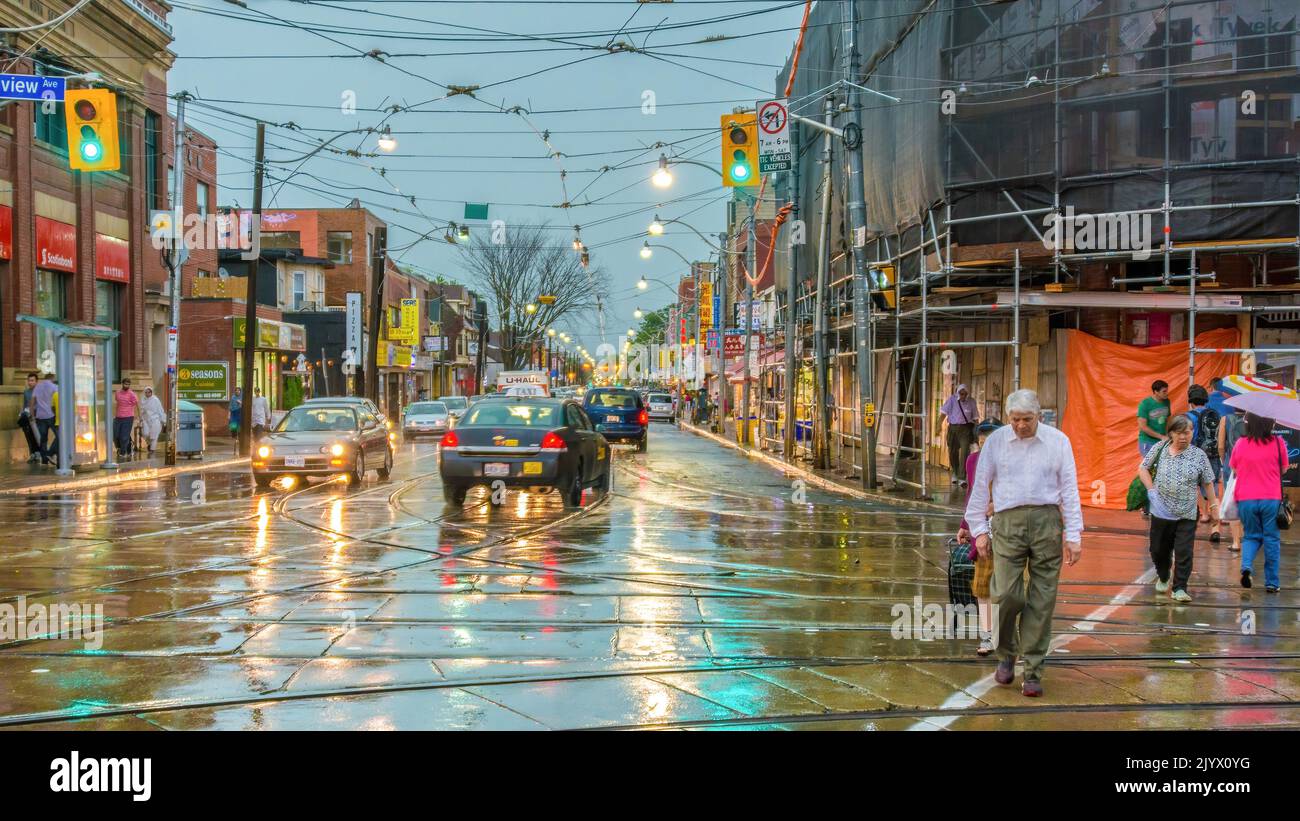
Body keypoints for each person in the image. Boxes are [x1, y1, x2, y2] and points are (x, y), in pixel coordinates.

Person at [965, 389, 1083, 698]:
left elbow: (1070, 489)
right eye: (1015, 419)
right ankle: (1006, 653)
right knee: (1006, 594)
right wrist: (979, 529)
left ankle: (1032, 670)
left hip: (1047, 523)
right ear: (1008, 418)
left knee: (1042, 601)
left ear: (1039, 417)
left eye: (1027, 420)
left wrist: (1073, 535)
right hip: (1007, 524)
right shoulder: (997, 443)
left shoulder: (1058, 442)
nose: (1020, 425)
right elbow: (981, 487)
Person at [1138, 414, 1219, 603]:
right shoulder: (1160, 448)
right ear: (1171, 433)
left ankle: (1180, 588)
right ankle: (1164, 575)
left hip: (1187, 512)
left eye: (1187, 432)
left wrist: (1214, 505)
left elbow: (1208, 482)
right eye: (1179, 432)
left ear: (1192, 433)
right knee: (1158, 549)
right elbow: (1143, 469)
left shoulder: (1198, 455)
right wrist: (1151, 490)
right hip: (1160, 511)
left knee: (1184, 551)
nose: (1183, 437)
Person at [956, 418, 1003, 657]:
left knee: (1008, 589)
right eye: (983, 438)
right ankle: (987, 636)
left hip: (1009, 534)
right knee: (983, 586)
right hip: (982, 533)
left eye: (991, 437)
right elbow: (971, 495)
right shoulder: (973, 460)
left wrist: (999, 504)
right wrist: (965, 525)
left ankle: (1004, 636)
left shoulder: (1012, 461)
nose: (986, 442)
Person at [1230, 412, 1289, 594]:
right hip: (1270, 498)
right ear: (1270, 423)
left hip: (1246, 499)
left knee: (1251, 536)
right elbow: (1284, 469)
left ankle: (1246, 567)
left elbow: (1234, 467)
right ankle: (1271, 582)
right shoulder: (1278, 443)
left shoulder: (1240, 443)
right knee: (1271, 539)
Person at [1185, 384, 1223, 537]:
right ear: (1205, 400)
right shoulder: (1215, 414)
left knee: (1195, 485)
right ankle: (1216, 519)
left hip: (1195, 454)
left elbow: (1186, 437)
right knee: (1211, 485)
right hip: (1213, 455)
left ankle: (1205, 514)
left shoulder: (1188, 416)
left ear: (1191, 400)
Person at [1218, 406, 1247, 552]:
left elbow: (1221, 446)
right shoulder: (1251, 420)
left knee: (1232, 502)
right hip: (1249, 467)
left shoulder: (1225, 419)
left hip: (1232, 466)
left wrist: (1224, 461)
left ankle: (1236, 542)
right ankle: (1247, 539)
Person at [940, 383, 979, 486]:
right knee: (952, 452)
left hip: (965, 429)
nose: (963, 396)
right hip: (953, 428)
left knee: (965, 452)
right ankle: (955, 473)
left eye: (964, 394)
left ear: (967, 393)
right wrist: (937, 426)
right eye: (961, 394)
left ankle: (962, 477)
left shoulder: (971, 402)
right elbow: (943, 413)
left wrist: (977, 430)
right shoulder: (952, 400)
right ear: (958, 393)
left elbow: (975, 418)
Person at [29, 372, 58, 467]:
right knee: (59, 435)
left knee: (43, 439)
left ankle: (44, 460)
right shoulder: (54, 387)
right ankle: (50, 453)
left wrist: (32, 415)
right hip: (51, 415)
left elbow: (32, 402)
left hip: (40, 416)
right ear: (52, 378)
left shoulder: (38, 387)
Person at [1137, 380, 1171, 456]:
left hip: (1162, 441)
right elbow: (1143, 427)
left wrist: (1168, 434)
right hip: (1148, 441)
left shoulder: (1167, 401)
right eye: (1164, 391)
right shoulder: (1145, 404)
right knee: (1150, 467)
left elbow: (1168, 419)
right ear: (1156, 392)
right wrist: (1161, 436)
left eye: (1167, 391)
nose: (1167, 393)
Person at [17, 372, 41, 463]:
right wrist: (22, 412)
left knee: (36, 436)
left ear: (36, 381)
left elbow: (39, 405)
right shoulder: (26, 392)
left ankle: (38, 453)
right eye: (29, 380)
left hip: (37, 417)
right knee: (28, 434)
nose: (30, 382)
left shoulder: (39, 392)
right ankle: (33, 453)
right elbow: (25, 405)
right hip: (28, 416)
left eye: (32, 380)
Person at [113, 379, 139, 459]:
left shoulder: (132, 394)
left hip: (128, 417)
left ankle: (123, 452)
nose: (126, 386)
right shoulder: (117, 393)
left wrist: (138, 416)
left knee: (124, 436)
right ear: (122, 384)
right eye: (125, 384)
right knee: (115, 435)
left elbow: (137, 405)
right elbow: (117, 403)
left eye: (128, 384)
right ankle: (127, 446)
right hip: (118, 417)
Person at [140, 387, 165, 455]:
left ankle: (152, 449)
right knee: (145, 433)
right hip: (146, 420)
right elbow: (141, 411)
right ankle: (149, 444)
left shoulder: (155, 400)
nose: (147, 394)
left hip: (155, 420)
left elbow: (160, 410)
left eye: (149, 392)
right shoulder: (143, 400)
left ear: (151, 392)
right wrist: (141, 418)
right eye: (146, 392)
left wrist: (163, 420)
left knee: (154, 435)